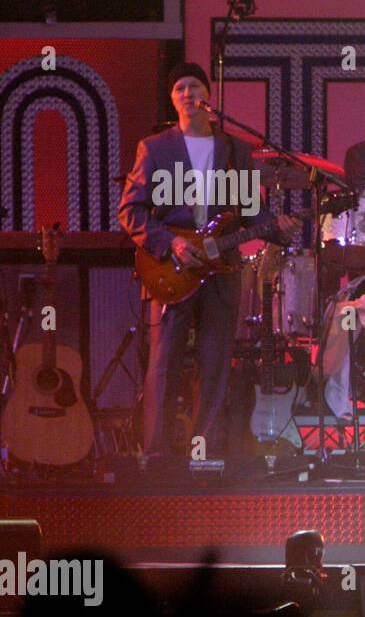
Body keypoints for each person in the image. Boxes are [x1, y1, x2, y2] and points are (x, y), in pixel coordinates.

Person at [118, 62, 302, 462]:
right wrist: (170, 243)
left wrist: (279, 227)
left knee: (215, 360)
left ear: (209, 96)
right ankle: (157, 454)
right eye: (180, 87)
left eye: (194, 86)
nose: (187, 92)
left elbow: (251, 211)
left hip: (222, 268)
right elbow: (130, 211)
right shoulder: (155, 147)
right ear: (173, 98)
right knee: (164, 359)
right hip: (171, 265)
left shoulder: (235, 149)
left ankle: (206, 452)